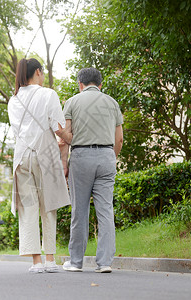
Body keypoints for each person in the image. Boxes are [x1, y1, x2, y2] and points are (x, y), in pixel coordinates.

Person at [8, 58, 71, 273]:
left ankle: (36, 262)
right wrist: (66, 138)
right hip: (46, 153)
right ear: (38, 72)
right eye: (42, 73)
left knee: (28, 207)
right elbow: (58, 126)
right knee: (49, 205)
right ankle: (51, 260)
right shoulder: (48, 94)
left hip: (22, 156)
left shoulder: (13, 100)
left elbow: (18, 132)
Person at [60, 67, 123, 273]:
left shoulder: (72, 102)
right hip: (107, 156)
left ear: (80, 84)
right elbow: (119, 139)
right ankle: (105, 263)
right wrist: (110, 158)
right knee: (105, 211)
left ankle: (76, 262)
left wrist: (64, 161)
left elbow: (66, 137)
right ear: (100, 84)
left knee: (79, 211)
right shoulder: (113, 103)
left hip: (81, 157)